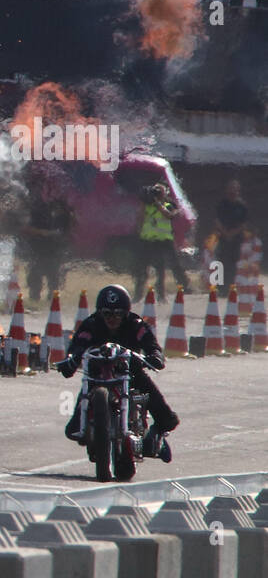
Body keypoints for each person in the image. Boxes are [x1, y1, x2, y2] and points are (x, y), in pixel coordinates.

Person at [57, 284, 178, 460]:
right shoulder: (90, 325)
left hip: (131, 375)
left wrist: (155, 357)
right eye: (107, 313)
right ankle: (89, 430)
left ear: (126, 313)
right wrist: (70, 360)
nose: (112, 318)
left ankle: (155, 437)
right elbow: (77, 346)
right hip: (97, 377)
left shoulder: (136, 325)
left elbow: (152, 346)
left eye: (118, 314)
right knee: (73, 429)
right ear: (100, 312)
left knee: (167, 418)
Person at [134, 182, 189, 302]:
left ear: (165, 193)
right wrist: (144, 202)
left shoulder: (169, 204)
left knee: (162, 268)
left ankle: (162, 294)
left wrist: (158, 203)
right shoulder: (147, 205)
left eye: (160, 191)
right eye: (156, 190)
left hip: (163, 240)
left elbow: (169, 215)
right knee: (142, 269)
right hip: (148, 240)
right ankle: (138, 295)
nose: (157, 193)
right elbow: (140, 218)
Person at [21, 188, 74, 302]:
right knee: (35, 275)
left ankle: (52, 298)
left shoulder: (63, 212)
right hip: (38, 248)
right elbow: (27, 228)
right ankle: (34, 297)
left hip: (54, 249)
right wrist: (44, 233)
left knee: (54, 276)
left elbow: (69, 227)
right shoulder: (38, 211)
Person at [212, 179, 248, 298]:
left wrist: (232, 233)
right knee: (220, 262)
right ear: (227, 190)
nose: (233, 191)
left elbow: (244, 223)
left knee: (232, 264)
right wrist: (225, 232)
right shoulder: (222, 204)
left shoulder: (241, 205)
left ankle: (230, 287)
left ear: (238, 191)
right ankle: (219, 288)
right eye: (230, 189)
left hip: (236, 239)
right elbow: (217, 220)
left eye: (235, 189)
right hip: (222, 238)